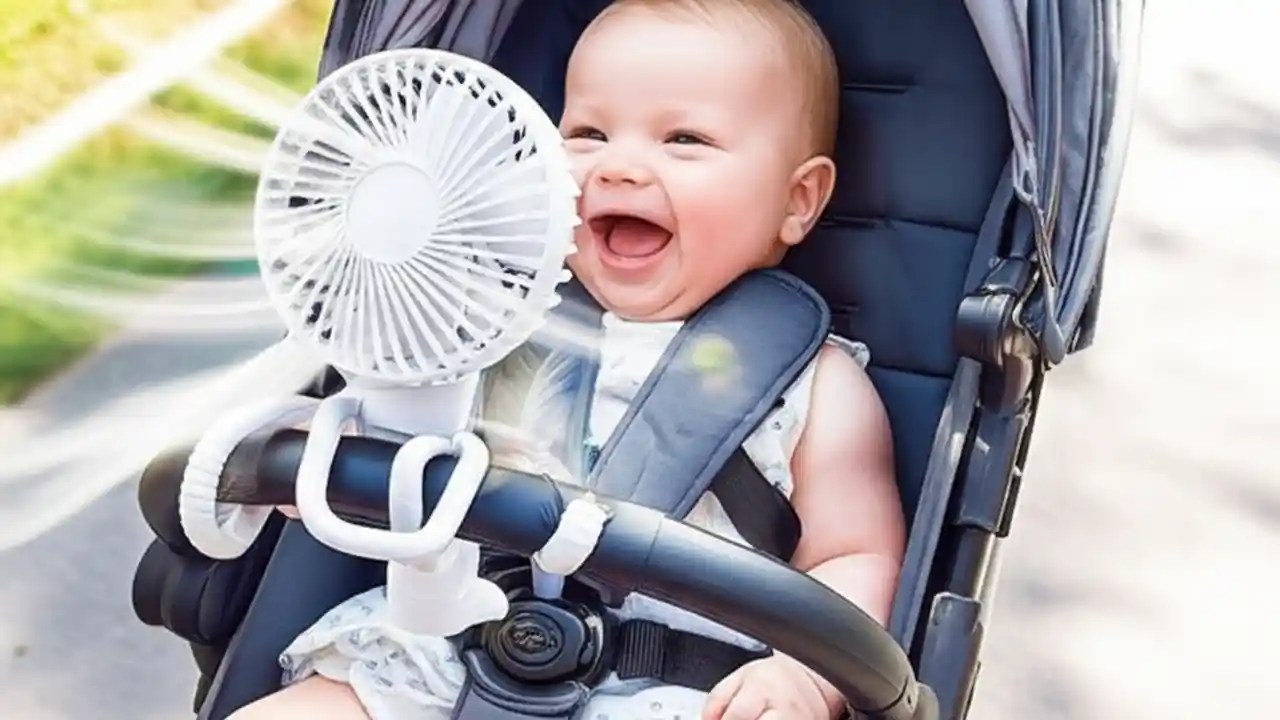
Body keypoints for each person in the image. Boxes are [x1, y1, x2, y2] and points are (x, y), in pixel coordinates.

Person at [229, 1, 905, 718]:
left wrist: (803, 676)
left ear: (797, 201)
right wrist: (319, 469)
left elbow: (852, 557)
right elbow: (390, 434)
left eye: (685, 139)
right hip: (444, 645)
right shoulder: (480, 321)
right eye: (586, 133)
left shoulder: (817, 385)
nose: (619, 166)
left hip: (676, 693)